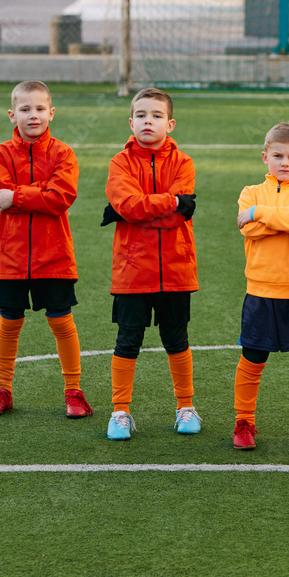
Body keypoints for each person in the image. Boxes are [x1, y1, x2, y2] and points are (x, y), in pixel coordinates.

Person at [0, 80, 91, 419]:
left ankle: (74, 391)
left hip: (54, 256)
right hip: (11, 257)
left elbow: (61, 198)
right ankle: (3, 388)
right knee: (9, 322)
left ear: (52, 113)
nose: (34, 115)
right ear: (12, 114)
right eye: (26, 109)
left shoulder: (63, 154)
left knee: (61, 322)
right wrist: (34, 194)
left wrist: (19, 196)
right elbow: (3, 197)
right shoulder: (2, 153)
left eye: (40, 109)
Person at [101, 87, 199, 440]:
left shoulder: (183, 162)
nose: (148, 121)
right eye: (142, 115)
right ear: (131, 122)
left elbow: (176, 215)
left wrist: (139, 210)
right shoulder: (119, 162)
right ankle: (120, 411)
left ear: (169, 124)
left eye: (157, 116)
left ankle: (185, 407)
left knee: (177, 339)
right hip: (132, 270)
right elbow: (128, 204)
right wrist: (167, 203)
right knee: (128, 340)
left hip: (176, 268)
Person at [233, 122, 289, 451]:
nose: (285, 162)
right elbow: (249, 229)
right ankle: (244, 421)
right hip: (260, 291)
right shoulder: (250, 193)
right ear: (264, 157)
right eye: (277, 156)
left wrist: (263, 216)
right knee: (252, 358)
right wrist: (271, 212)